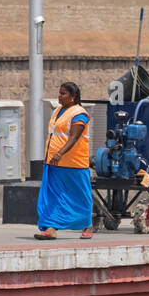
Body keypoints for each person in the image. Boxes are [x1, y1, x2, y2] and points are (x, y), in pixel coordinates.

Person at [36, 81, 93, 240]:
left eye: (63, 94)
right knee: (53, 196)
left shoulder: (79, 113)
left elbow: (74, 137)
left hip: (74, 163)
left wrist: (60, 153)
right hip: (54, 163)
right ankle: (51, 228)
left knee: (80, 194)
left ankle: (87, 224)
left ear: (73, 96)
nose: (59, 96)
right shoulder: (58, 110)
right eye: (59, 93)